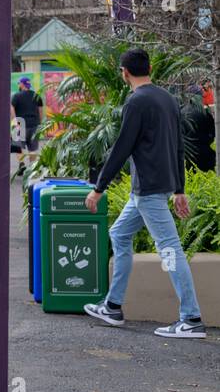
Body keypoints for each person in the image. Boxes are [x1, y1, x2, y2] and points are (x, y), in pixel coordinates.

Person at [84, 49, 206, 338]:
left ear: (124, 72)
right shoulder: (167, 98)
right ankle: (113, 306)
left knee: (170, 250)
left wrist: (98, 188)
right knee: (120, 234)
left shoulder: (136, 101)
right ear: (149, 68)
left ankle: (191, 318)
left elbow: (122, 147)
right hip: (152, 189)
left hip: (148, 191)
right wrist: (179, 189)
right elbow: (178, 145)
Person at [10, 76, 45, 175]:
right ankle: (32, 168)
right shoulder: (36, 95)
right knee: (33, 148)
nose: (18, 85)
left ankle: (22, 164)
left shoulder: (16, 96)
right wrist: (39, 122)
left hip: (20, 123)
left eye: (19, 83)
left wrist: (14, 120)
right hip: (34, 124)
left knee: (17, 146)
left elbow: (11, 108)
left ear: (22, 84)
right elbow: (40, 111)